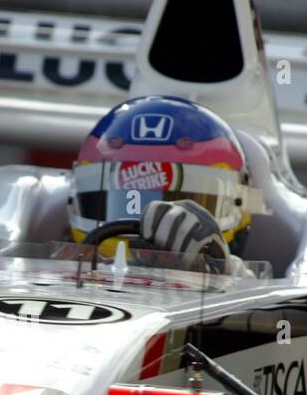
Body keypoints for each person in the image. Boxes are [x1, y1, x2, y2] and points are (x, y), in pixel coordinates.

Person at [71, 95, 257, 274]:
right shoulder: (50, 266)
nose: (150, 232)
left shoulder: (248, 287)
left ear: (242, 200)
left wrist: (220, 270)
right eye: (127, 203)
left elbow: (247, 285)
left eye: (180, 219)